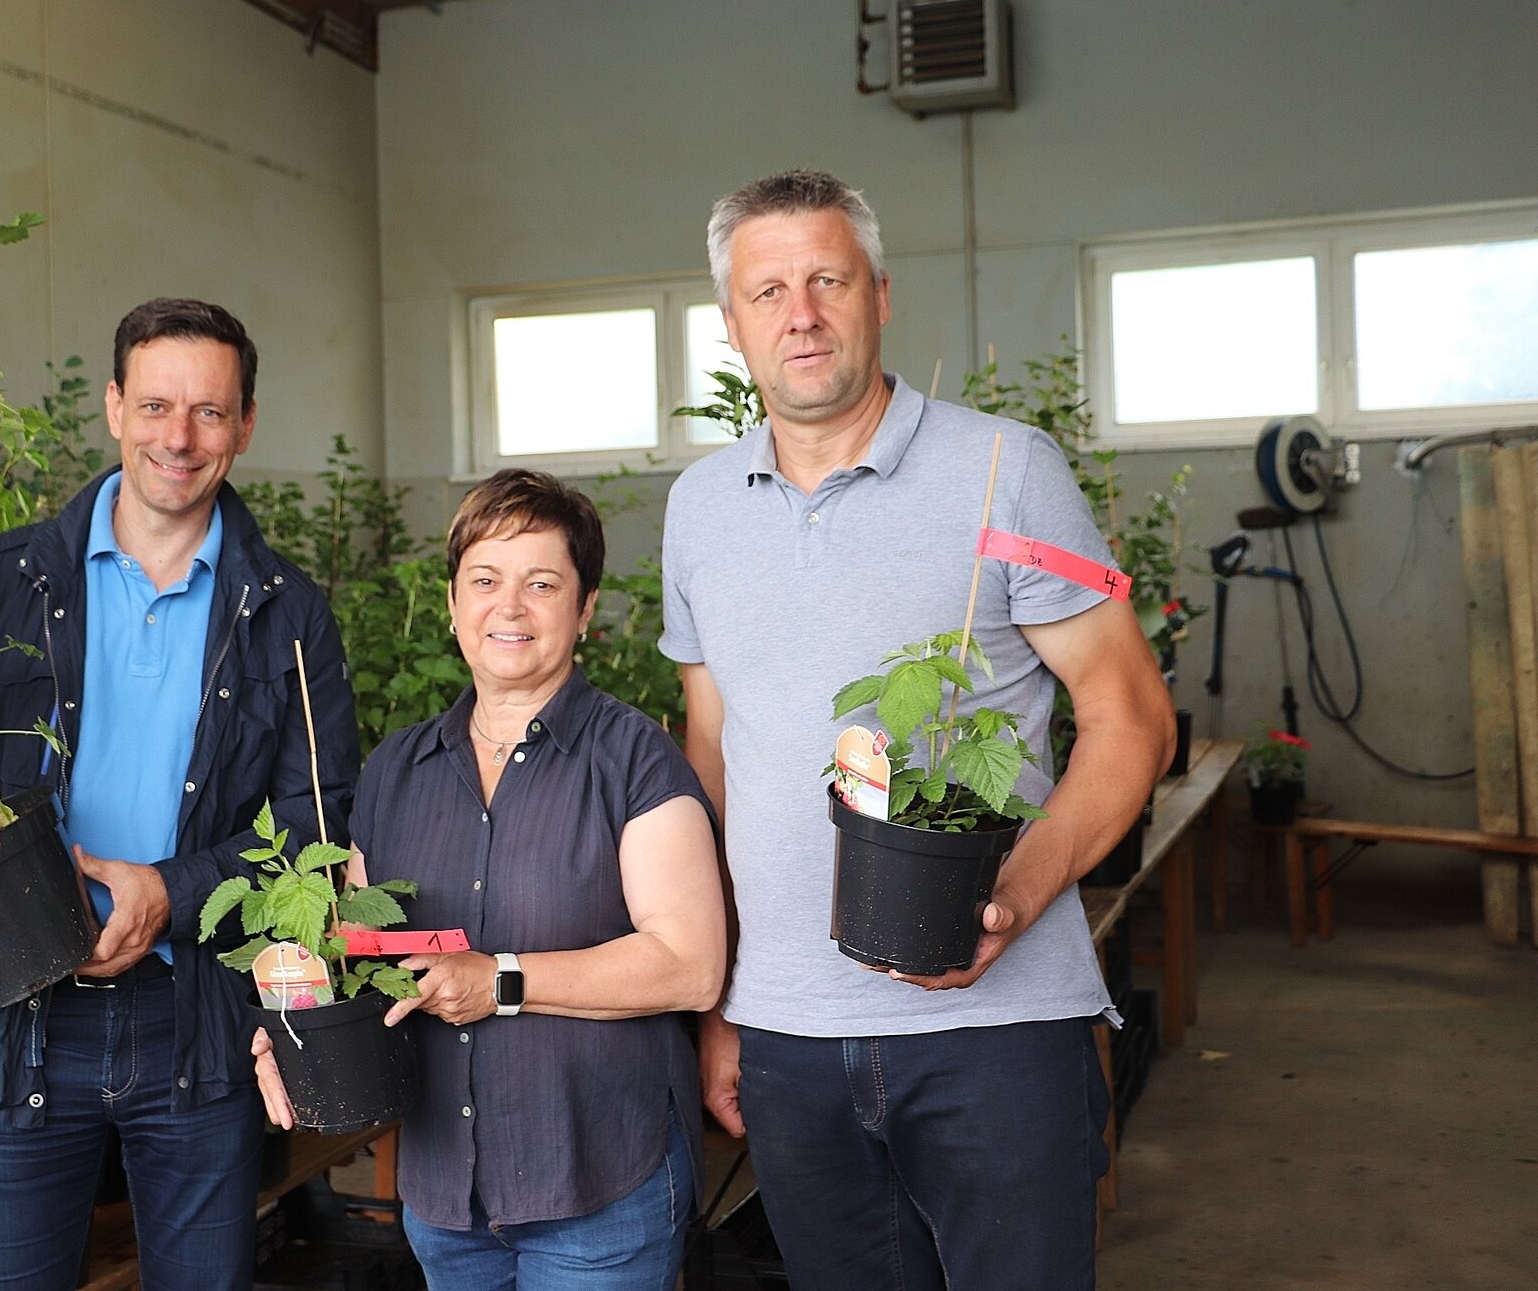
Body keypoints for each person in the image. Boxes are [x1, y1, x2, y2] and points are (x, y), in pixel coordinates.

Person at [661, 170, 1177, 1290]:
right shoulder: (696, 508)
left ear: (879, 295)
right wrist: (717, 1005)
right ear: (731, 322)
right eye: (768, 290)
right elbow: (710, 757)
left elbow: (1129, 712)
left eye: (826, 280)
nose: (799, 313)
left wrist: (1016, 892)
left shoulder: (1009, 470)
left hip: (991, 1032)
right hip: (785, 1035)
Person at [0, 298, 358, 1291]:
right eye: (157, 404)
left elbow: (315, 830)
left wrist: (171, 888)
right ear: (114, 406)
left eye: (209, 412)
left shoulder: (289, 617)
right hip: (11, 1021)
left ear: (244, 425)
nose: (179, 437)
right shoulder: (4, 585)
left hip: (197, 1023)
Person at [254, 469, 727, 1291]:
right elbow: (359, 951)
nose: (509, 607)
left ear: (584, 612)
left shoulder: (632, 759)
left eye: (542, 583)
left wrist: (500, 981)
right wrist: (296, 1028)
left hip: (597, 1179)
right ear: (452, 603)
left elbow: (690, 963)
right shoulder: (398, 766)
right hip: (446, 1191)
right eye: (485, 580)